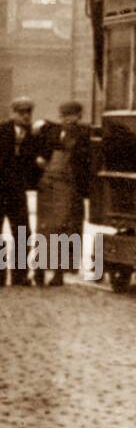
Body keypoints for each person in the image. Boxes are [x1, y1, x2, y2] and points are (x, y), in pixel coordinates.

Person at [34, 101, 92, 287]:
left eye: (73, 115)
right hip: (48, 186)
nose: (69, 119)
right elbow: (42, 134)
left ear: (79, 116)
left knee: (62, 229)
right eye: (65, 115)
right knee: (44, 228)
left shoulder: (83, 134)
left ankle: (58, 273)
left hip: (68, 187)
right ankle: (39, 271)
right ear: (61, 117)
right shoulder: (52, 131)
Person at [0, 98, 47, 287]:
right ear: (13, 112)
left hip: (17, 193)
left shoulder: (33, 135)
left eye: (29, 112)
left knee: (22, 233)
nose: (26, 115)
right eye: (21, 112)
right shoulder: (1, 131)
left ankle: (20, 277)